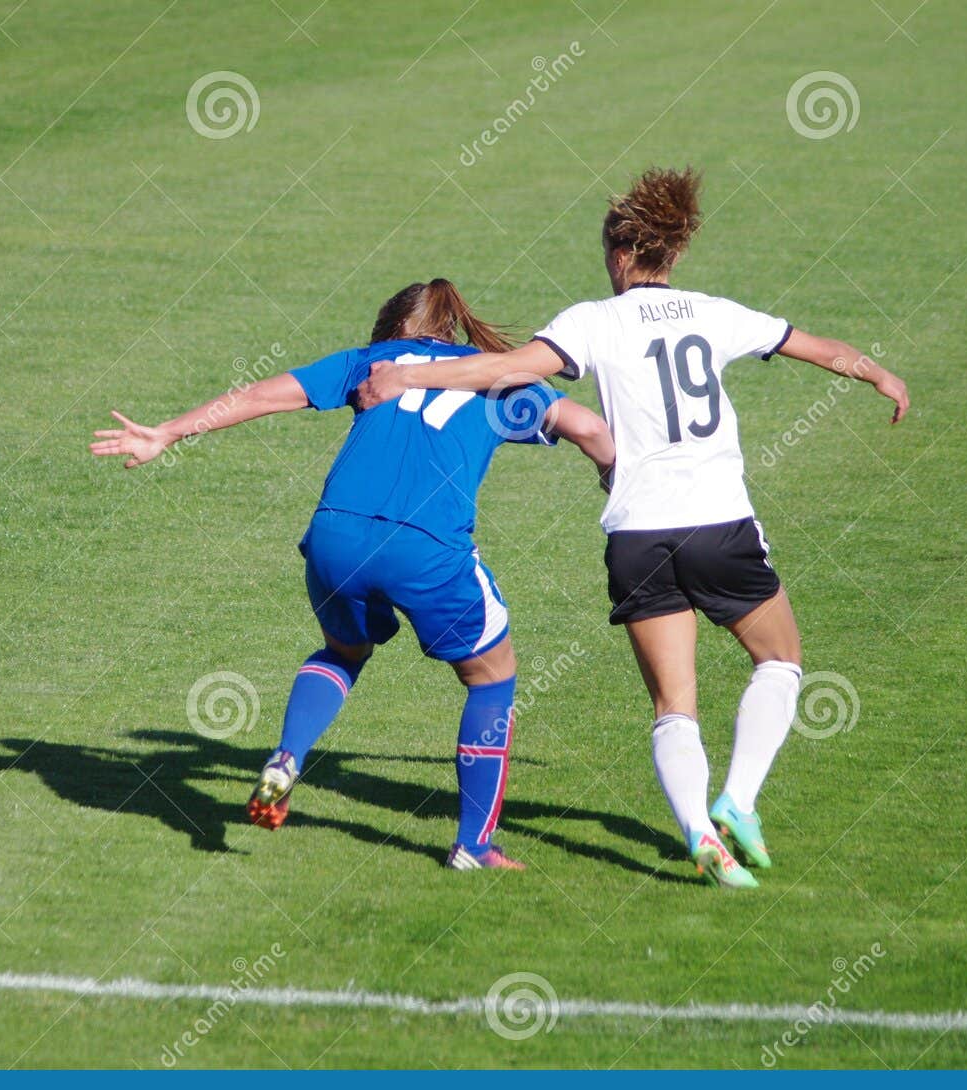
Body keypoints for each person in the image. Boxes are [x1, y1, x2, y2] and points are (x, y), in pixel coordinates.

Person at [358, 170, 910, 888]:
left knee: (673, 704)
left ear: (620, 256)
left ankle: (699, 831)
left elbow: (508, 368)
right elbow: (813, 345)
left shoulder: (591, 320)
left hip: (638, 536)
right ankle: (739, 801)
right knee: (779, 659)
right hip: (720, 524)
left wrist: (410, 377)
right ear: (672, 254)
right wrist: (878, 374)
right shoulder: (715, 312)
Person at [90, 279, 615, 870]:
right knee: (492, 679)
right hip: (424, 548)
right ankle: (472, 847)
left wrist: (166, 432)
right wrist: (615, 478)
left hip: (335, 535)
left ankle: (287, 757)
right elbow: (591, 428)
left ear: (393, 328)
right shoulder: (496, 376)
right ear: (450, 331)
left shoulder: (371, 362)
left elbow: (261, 395)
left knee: (344, 650)